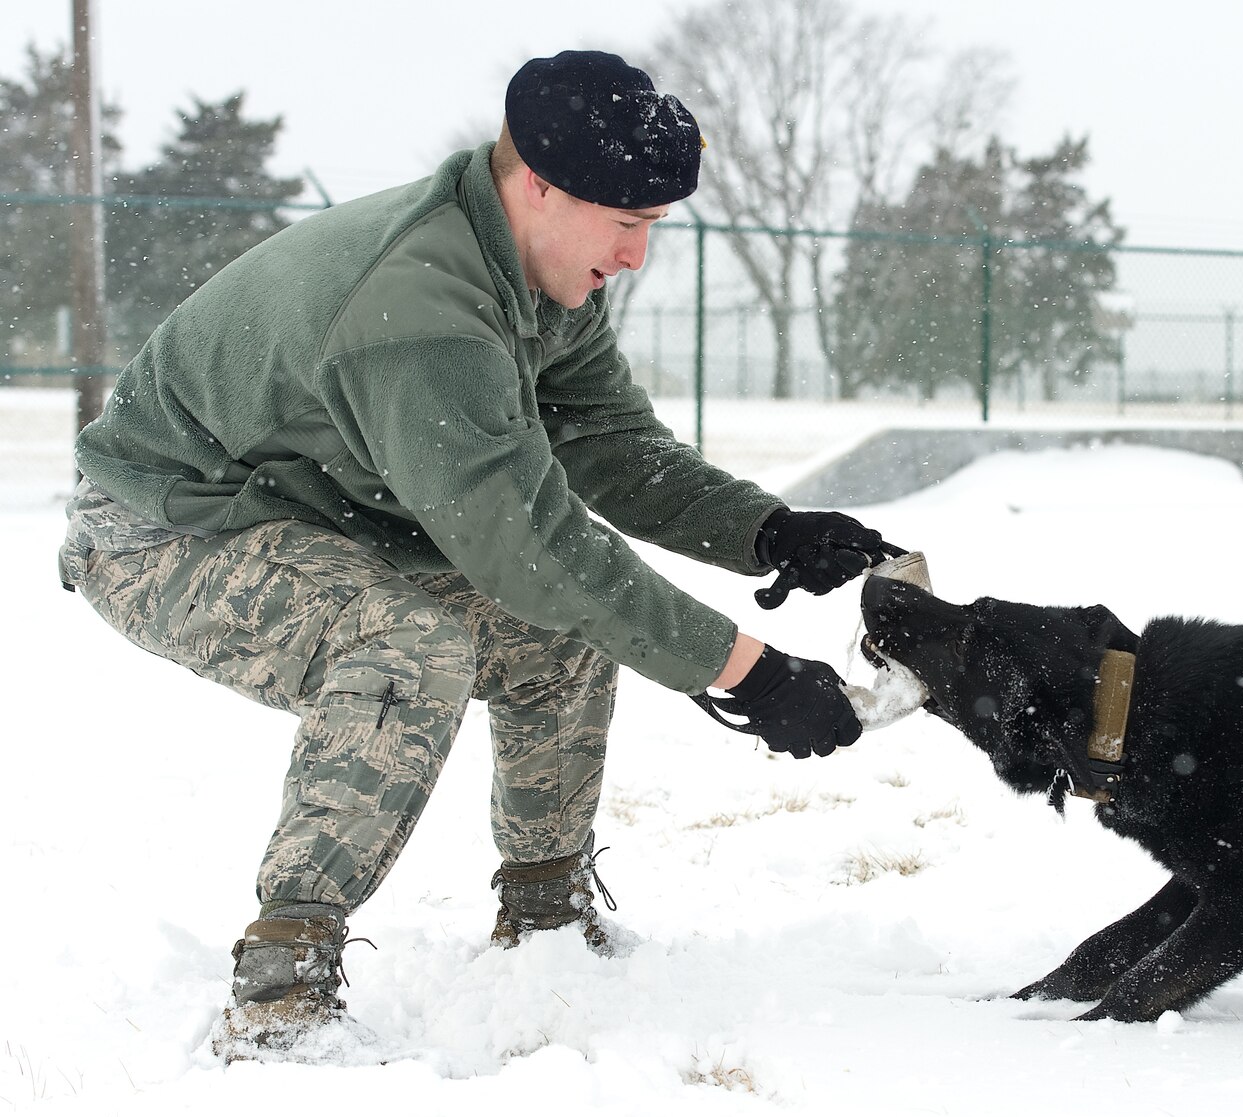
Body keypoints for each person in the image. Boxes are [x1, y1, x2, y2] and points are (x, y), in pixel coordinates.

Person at [58, 50, 888, 1059]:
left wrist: (764, 529)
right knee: (407, 646)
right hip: (163, 531)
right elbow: (530, 547)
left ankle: (546, 918)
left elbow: (604, 443)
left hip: (314, 512)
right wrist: (744, 672)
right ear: (537, 183)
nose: (634, 259)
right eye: (625, 225)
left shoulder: (530, 275)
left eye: (651, 230)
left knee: (563, 635)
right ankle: (281, 992)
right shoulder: (423, 311)